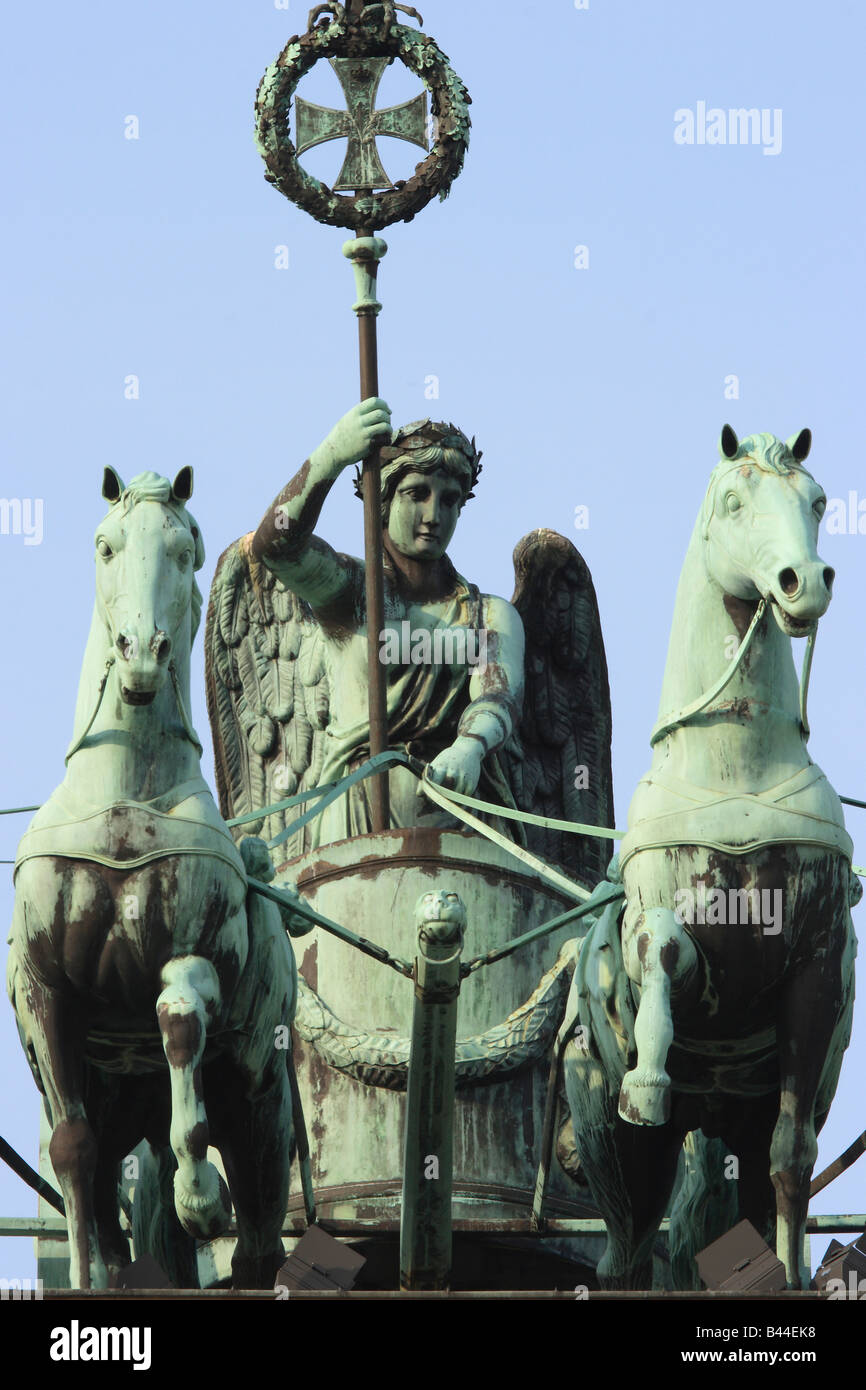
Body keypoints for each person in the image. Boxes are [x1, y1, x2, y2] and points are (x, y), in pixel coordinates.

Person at [251, 398, 525, 847]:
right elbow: (275, 545)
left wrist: (469, 747)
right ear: (383, 500)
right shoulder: (349, 592)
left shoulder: (489, 615)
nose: (435, 516)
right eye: (417, 494)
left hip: (461, 818)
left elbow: (498, 693)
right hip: (358, 816)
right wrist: (331, 455)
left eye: (450, 500)